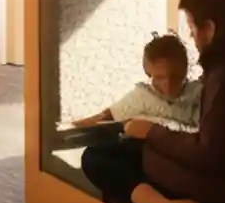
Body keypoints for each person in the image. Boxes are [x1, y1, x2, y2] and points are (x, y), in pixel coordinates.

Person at [19, 0, 225, 203]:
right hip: (213, 173)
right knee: (115, 153)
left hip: (210, 181)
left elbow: (209, 153)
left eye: (193, 29)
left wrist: (151, 132)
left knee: (98, 158)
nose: (192, 36)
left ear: (210, 28)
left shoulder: (223, 78)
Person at [71, 33, 202, 133]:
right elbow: (107, 116)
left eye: (176, 77)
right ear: (148, 72)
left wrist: (150, 125)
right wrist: (71, 127)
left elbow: (202, 136)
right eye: (159, 78)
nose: (167, 85)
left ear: (185, 70)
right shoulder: (142, 96)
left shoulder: (197, 95)